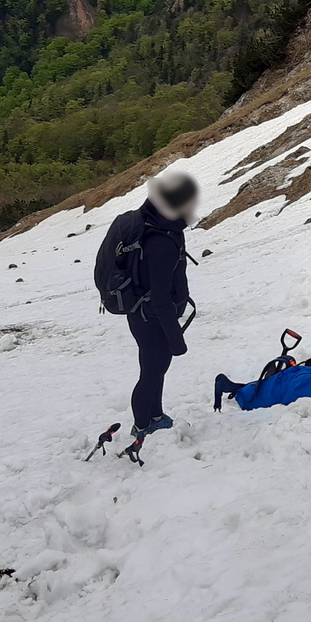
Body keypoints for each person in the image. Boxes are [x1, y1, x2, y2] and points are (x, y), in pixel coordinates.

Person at [125, 169, 199, 451]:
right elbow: (160, 297)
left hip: (143, 315)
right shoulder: (160, 242)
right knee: (151, 373)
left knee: (155, 369)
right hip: (151, 318)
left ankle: (154, 416)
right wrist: (175, 338)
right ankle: (141, 426)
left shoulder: (155, 225)